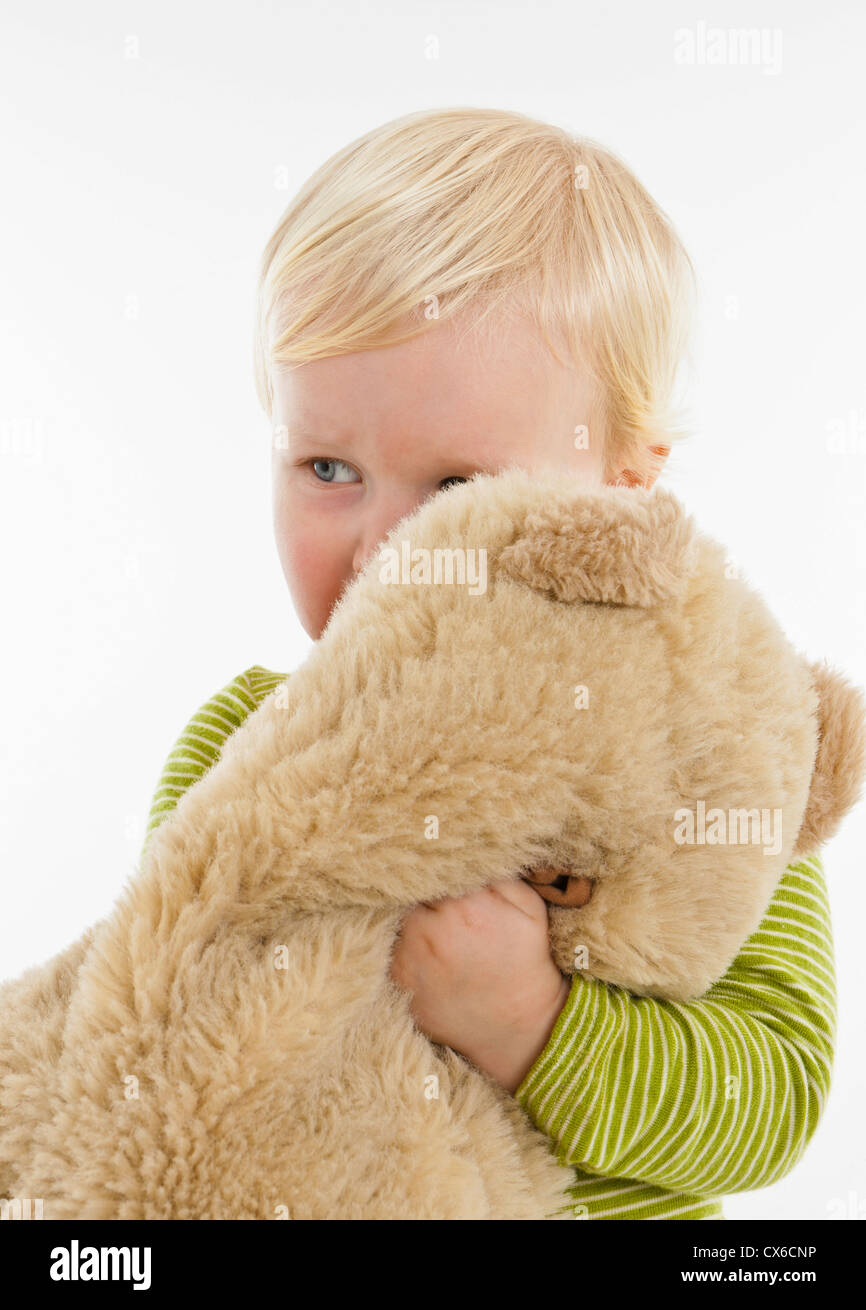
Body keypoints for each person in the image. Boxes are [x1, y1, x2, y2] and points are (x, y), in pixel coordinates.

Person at [141, 107, 834, 1219]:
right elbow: (164, 1023)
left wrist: (528, 1021)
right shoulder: (241, 743)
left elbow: (772, 1102)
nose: (383, 548)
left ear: (623, 494)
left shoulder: (710, 757)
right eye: (327, 466)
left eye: (457, 491)